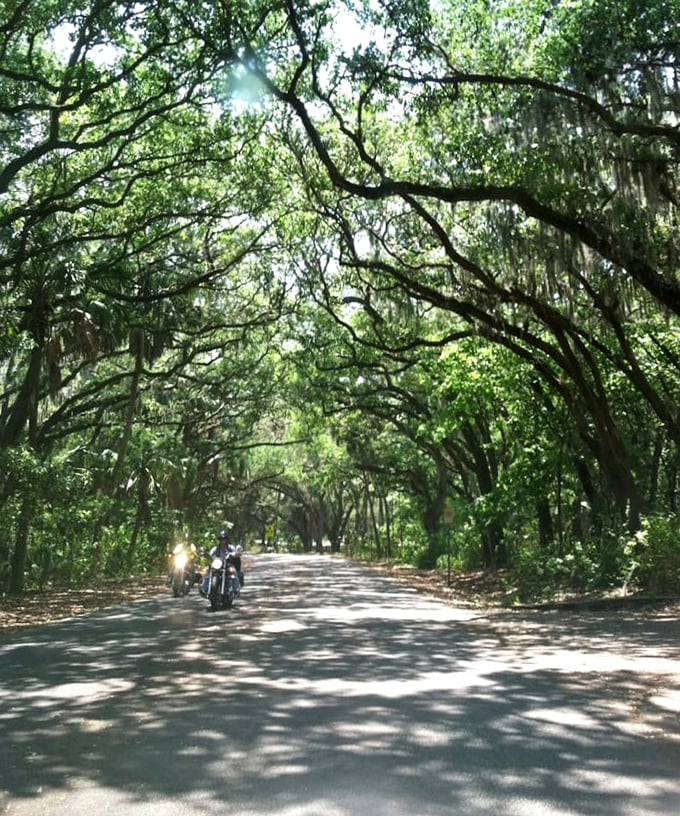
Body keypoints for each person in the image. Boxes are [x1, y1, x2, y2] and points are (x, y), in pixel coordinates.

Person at [200, 531, 240, 597]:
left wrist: (234, 554)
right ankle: (205, 589)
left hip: (227, 565)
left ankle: (236, 590)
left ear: (227, 540)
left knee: (234, 574)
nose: (223, 541)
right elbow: (210, 555)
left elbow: (236, 553)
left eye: (224, 539)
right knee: (207, 574)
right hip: (217, 566)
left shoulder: (230, 548)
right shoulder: (215, 549)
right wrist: (205, 554)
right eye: (221, 539)